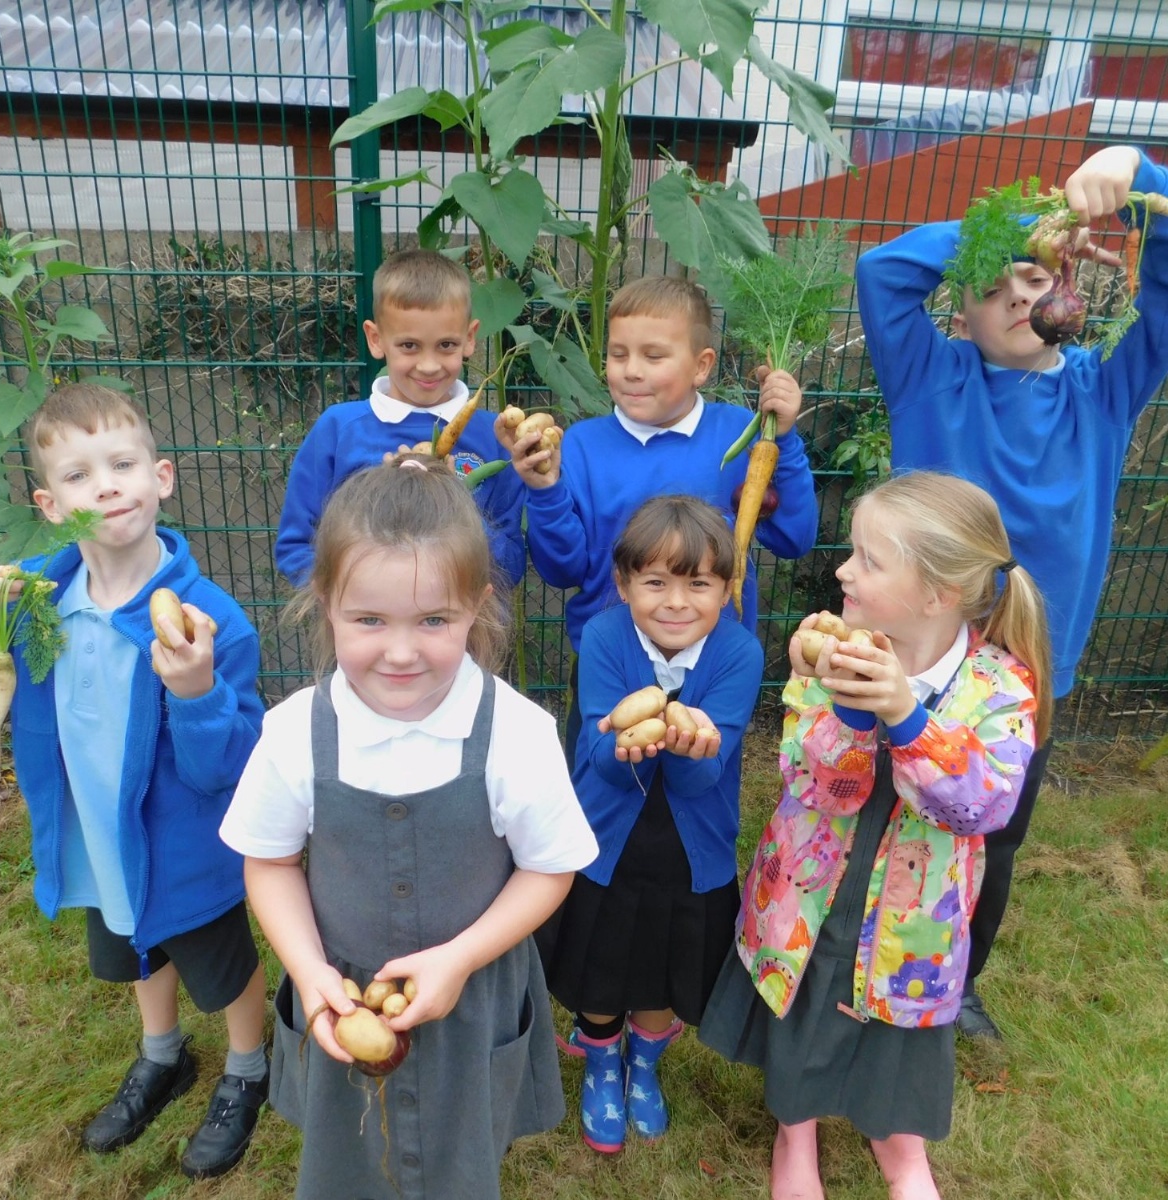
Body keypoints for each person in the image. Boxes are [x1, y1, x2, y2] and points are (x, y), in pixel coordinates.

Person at [848, 143, 1168, 1038]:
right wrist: (1015, 229)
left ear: (1067, 292)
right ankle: (846, 951)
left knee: (992, 831)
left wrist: (1137, 176)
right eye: (996, 288)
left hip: (1027, 672)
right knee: (881, 810)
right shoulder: (929, 375)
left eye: (1035, 279)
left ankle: (959, 977)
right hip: (910, 656)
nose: (1022, 298)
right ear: (961, 313)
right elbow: (883, 271)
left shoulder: (1103, 398)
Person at [220, 457, 597, 1200]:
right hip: (341, 997)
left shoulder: (516, 733)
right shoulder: (295, 731)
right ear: (326, 605)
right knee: (344, 1163)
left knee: (463, 1156)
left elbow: (550, 868)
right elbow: (268, 864)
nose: (401, 651)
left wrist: (458, 959)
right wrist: (307, 971)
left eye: (433, 620)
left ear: (476, 607)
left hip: (471, 999)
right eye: (369, 620)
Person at [699, 471, 1051, 1200]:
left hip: (914, 916)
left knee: (895, 1017)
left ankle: (897, 1136)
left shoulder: (1003, 686)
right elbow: (810, 779)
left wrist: (910, 719)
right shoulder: (835, 653)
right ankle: (796, 1127)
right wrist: (855, 711)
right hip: (813, 885)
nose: (841, 570)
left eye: (867, 559)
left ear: (936, 592)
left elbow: (979, 809)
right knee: (811, 984)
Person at [0, 383, 268, 1180]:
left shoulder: (210, 620)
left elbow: (226, 769)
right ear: (49, 502)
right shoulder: (33, 598)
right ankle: (161, 1056)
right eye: (77, 475)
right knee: (134, 944)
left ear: (161, 477)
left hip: (184, 842)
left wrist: (197, 691)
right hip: (94, 828)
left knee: (219, 959)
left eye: (122, 463)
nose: (104, 485)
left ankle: (247, 1068)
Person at [498, 274, 818, 768]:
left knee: (699, 789)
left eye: (653, 356)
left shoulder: (741, 434)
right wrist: (544, 492)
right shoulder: (582, 445)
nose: (630, 371)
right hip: (609, 657)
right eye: (618, 354)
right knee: (600, 780)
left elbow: (795, 537)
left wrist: (787, 438)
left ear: (701, 366)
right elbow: (564, 571)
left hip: (713, 659)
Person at [537, 495, 764, 1154]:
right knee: (604, 960)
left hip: (692, 848)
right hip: (610, 841)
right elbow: (599, 761)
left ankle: (646, 1059)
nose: (675, 602)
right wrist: (626, 744)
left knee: (668, 965)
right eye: (655, 582)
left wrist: (691, 746)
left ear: (727, 589)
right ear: (623, 584)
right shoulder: (605, 638)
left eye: (698, 584)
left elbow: (700, 779)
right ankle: (603, 1057)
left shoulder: (739, 654)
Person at [274, 247, 525, 589]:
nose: (429, 365)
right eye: (409, 346)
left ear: (469, 339)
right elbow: (295, 547)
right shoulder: (338, 430)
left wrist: (454, 499)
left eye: (446, 345)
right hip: (364, 635)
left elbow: (510, 567)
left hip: (461, 636)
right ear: (376, 340)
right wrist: (348, 603)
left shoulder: (494, 437)